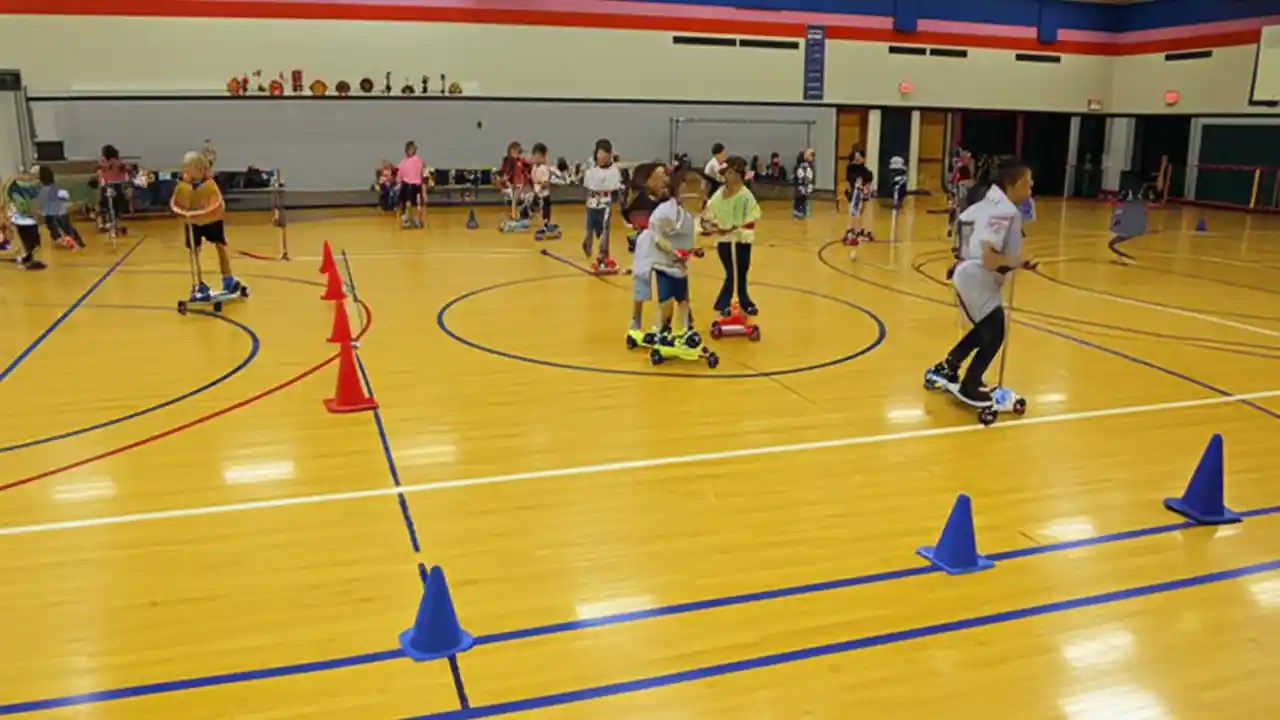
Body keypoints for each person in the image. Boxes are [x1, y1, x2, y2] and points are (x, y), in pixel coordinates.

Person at [926, 159, 1037, 405]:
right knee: (995, 333)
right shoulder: (1003, 212)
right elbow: (988, 258)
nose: (1030, 191)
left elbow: (964, 231)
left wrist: (961, 261)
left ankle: (950, 364)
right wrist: (1017, 260)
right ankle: (971, 383)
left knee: (984, 328)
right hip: (978, 278)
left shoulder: (982, 206)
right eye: (1028, 185)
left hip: (970, 275)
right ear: (1017, 184)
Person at [646, 168, 707, 347]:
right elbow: (656, 234)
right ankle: (664, 328)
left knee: (683, 298)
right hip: (664, 264)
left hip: (680, 267)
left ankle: (687, 328)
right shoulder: (664, 212)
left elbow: (691, 236)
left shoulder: (690, 214)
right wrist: (672, 249)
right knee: (666, 300)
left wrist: (694, 249)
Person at [171, 150, 241, 299]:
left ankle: (227, 278)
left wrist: (210, 210)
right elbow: (179, 201)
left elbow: (216, 200)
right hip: (193, 221)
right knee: (194, 251)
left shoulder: (209, 184)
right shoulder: (184, 185)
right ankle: (199, 282)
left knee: (220, 245)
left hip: (212, 218)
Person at [705, 156, 761, 315]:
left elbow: (752, 218)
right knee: (731, 272)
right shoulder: (719, 194)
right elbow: (709, 213)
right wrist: (714, 226)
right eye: (724, 173)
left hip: (741, 240)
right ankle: (723, 303)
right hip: (724, 241)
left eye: (729, 173)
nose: (725, 177)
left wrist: (733, 227)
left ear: (738, 174)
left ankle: (744, 301)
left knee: (741, 272)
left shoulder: (746, 196)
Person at [627, 163, 670, 346]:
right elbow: (632, 219)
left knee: (665, 284)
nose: (664, 179)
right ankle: (635, 322)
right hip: (646, 244)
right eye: (659, 175)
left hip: (664, 245)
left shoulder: (669, 199)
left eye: (664, 175)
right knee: (641, 281)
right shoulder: (640, 201)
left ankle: (662, 324)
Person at [582, 138, 622, 269]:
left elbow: (615, 188)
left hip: (605, 203)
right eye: (599, 154)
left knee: (604, 230)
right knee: (590, 230)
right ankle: (588, 244)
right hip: (591, 203)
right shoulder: (591, 167)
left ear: (610, 155)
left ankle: (603, 256)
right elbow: (587, 184)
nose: (601, 158)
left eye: (605, 155)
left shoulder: (614, 170)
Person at [5, 170, 46, 269]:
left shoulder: (24, 189)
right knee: (29, 243)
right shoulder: (14, 189)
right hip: (21, 220)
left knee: (33, 244)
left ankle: (28, 259)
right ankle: (27, 260)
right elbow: (20, 205)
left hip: (25, 220)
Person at [38, 165, 84, 250]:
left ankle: (75, 245)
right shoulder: (49, 188)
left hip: (55, 214)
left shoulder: (47, 189)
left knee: (61, 232)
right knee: (65, 230)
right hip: (59, 213)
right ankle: (76, 245)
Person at [843, 146, 875, 246]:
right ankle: (852, 231)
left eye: (859, 156)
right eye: (856, 156)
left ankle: (862, 230)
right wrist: (849, 192)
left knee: (863, 212)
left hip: (863, 194)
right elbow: (849, 182)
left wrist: (866, 189)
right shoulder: (850, 169)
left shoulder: (867, 172)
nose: (857, 158)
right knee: (854, 212)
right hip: (854, 194)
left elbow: (868, 183)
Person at [97, 144, 131, 234]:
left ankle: (109, 224)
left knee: (107, 206)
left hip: (110, 184)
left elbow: (101, 171)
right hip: (115, 185)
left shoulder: (107, 162)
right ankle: (113, 224)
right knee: (115, 206)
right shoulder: (116, 162)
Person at [529, 142, 560, 239]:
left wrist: (543, 184)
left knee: (545, 211)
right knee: (538, 211)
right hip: (538, 194)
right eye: (535, 156)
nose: (537, 159)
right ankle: (544, 225)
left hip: (544, 195)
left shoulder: (544, 169)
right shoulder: (534, 168)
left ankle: (545, 225)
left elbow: (545, 184)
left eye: (540, 156)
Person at [397, 141, 425, 228]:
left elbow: (422, 173)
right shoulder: (403, 163)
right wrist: (398, 184)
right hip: (406, 184)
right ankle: (406, 218)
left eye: (413, 149)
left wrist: (423, 189)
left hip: (415, 185)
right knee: (406, 203)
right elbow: (399, 175)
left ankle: (415, 219)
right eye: (409, 149)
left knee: (415, 204)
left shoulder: (418, 160)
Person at [793, 148, 815, 219]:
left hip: (804, 186)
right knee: (800, 198)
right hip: (801, 186)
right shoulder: (802, 166)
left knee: (803, 199)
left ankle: (801, 211)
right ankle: (799, 212)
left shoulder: (809, 165)